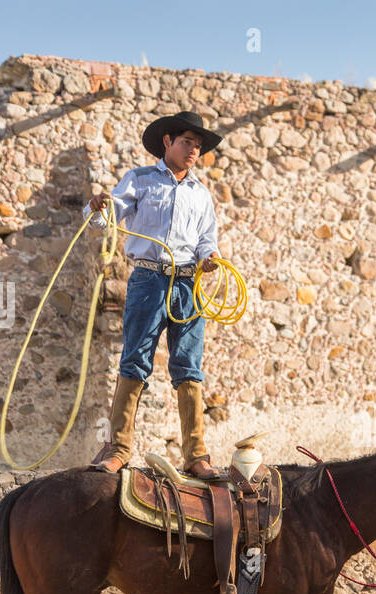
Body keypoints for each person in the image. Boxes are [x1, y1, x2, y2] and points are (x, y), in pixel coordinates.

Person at [85, 110, 227, 479]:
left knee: (188, 367)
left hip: (187, 284)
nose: (193, 150)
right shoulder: (140, 180)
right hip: (148, 279)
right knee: (135, 362)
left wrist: (209, 258)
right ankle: (118, 449)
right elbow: (107, 218)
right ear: (167, 142)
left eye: (197, 145)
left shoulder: (201, 194)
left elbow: (206, 239)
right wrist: (96, 207)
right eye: (187, 143)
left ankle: (196, 455)